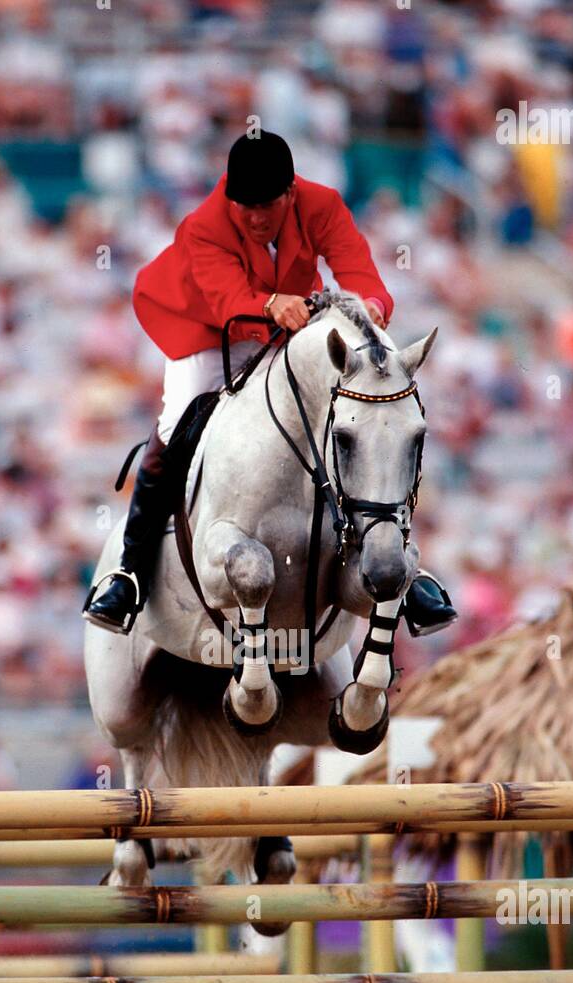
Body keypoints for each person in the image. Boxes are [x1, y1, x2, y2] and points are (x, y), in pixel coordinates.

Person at [83, 130, 456, 637]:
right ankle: (129, 570)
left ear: (290, 194)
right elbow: (225, 296)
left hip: (289, 324)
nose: (254, 218)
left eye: (266, 206)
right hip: (208, 328)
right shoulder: (206, 224)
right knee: (177, 421)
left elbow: (355, 265)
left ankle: (403, 567)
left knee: (365, 408)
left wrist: (371, 304)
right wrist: (268, 303)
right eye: (245, 206)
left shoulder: (321, 203)